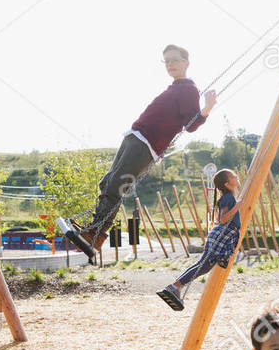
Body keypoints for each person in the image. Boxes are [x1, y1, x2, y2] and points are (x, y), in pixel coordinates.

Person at [59, 44, 217, 260]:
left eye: (174, 60)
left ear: (186, 63)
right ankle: (93, 230)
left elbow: (191, 124)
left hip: (146, 144)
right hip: (135, 138)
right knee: (107, 182)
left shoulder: (188, 89)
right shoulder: (175, 87)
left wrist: (207, 108)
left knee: (116, 185)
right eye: (166, 61)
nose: (170, 64)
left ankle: (94, 235)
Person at [156, 168, 242, 310]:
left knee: (202, 265)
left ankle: (175, 287)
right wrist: (237, 207)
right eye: (233, 176)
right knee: (203, 266)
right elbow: (223, 219)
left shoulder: (228, 197)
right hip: (223, 234)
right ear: (227, 184)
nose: (236, 176)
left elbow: (218, 218)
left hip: (223, 235)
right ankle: (174, 287)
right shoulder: (229, 198)